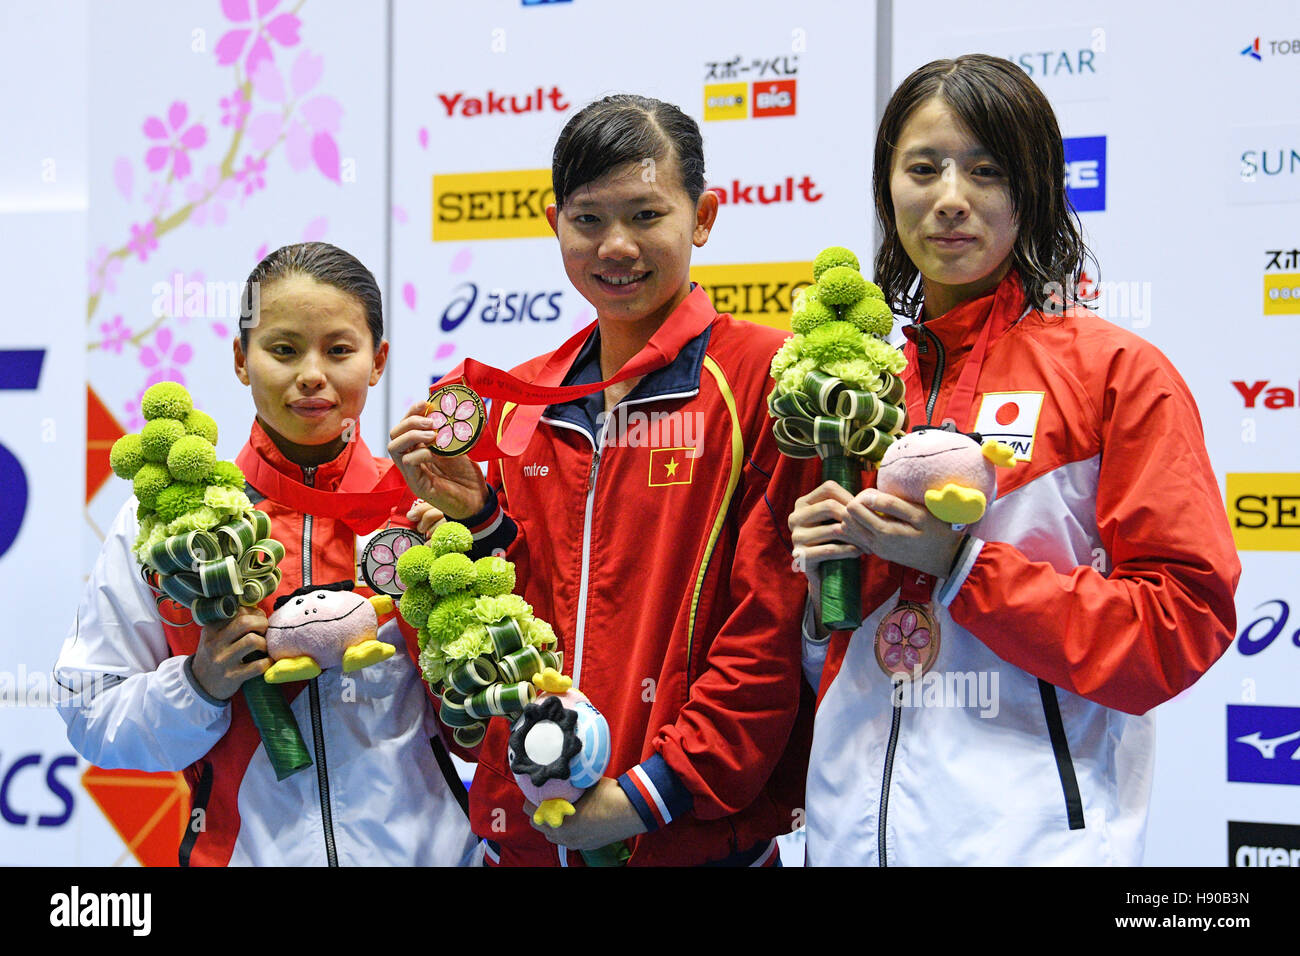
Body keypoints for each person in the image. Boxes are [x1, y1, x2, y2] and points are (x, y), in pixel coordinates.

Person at [788, 55, 1239, 865]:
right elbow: (829, 650)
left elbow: (1181, 627)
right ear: (888, 188)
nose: (950, 198)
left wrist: (965, 566)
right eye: (922, 168)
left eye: (986, 170)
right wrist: (817, 584)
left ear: (1031, 188)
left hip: (1033, 846)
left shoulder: (1115, 374)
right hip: (847, 838)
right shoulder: (856, 392)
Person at [389, 95, 819, 866]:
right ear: (553, 221)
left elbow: (770, 623)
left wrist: (651, 793)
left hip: (688, 836)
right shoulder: (521, 399)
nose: (616, 246)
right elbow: (520, 615)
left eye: (647, 215)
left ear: (705, 217)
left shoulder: (763, 382)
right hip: (526, 835)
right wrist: (480, 522)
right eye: (588, 220)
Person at [55, 242, 476, 866]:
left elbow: (491, 723)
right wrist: (199, 686)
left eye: (339, 350)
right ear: (241, 360)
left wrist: (469, 560)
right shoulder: (169, 531)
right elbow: (92, 711)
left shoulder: (424, 513)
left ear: (378, 360)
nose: (312, 374)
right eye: (284, 349)